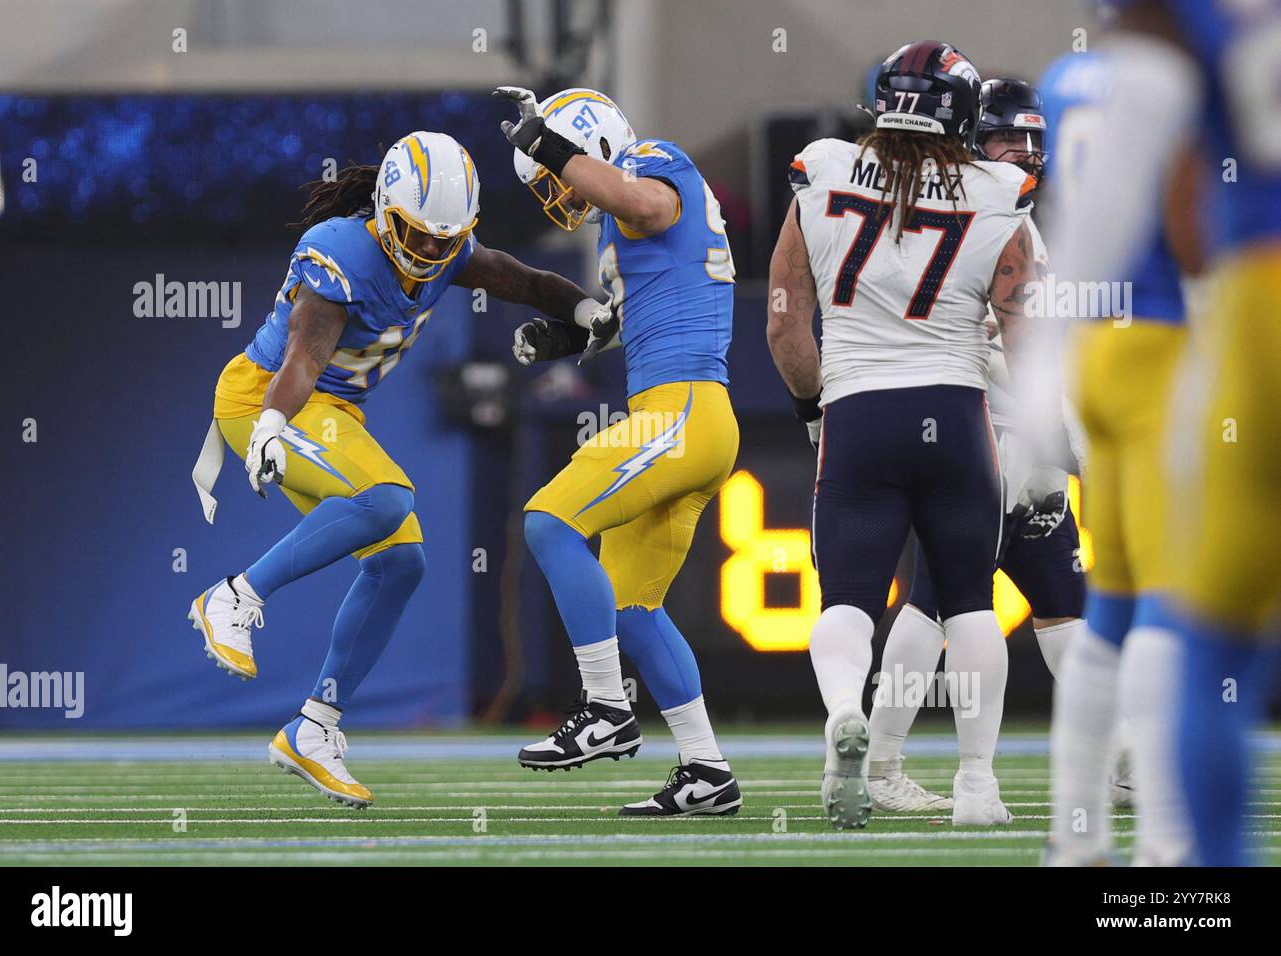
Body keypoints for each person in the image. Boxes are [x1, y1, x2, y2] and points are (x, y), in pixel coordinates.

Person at [188, 131, 604, 807]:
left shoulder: (446, 251)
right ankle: (235, 596)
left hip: (334, 415)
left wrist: (589, 310)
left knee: (400, 561)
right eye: (419, 234)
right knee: (386, 498)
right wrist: (269, 425)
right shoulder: (343, 251)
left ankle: (314, 727)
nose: (432, 252)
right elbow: (305, 357)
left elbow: (523, 281)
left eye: (447, 240)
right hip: (266, 399)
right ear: (385, 210)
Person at [768, 41, 1065, 829]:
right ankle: (976, 786)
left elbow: (785, 317)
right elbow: (1022, 330)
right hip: (961, 418)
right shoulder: (999, 192)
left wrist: (811, 409)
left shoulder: (824, 168)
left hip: (860, 411)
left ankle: (843, 717)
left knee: (849, 600)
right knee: (969, 606)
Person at [1048, 0, 1281, 867]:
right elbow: (1186, 211)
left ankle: (1077, 840)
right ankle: (1167, 850)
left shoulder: (1071, 79)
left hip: (1095, 345)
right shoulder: (1188, 48)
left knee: (1118, 600)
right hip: (1181, 334)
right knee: (1180, 611)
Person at [494, 86, 743, 816]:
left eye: (558, 172)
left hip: (684, 409)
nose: (558, 190)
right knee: (633, 608)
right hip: (689, 415)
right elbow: (630, 313)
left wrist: (546, 143)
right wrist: (574, 337)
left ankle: (605, 707)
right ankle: (707, 771)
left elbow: (651, 207)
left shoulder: (652, 163)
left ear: (592, 144)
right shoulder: (621, 213)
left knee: (548, 520)